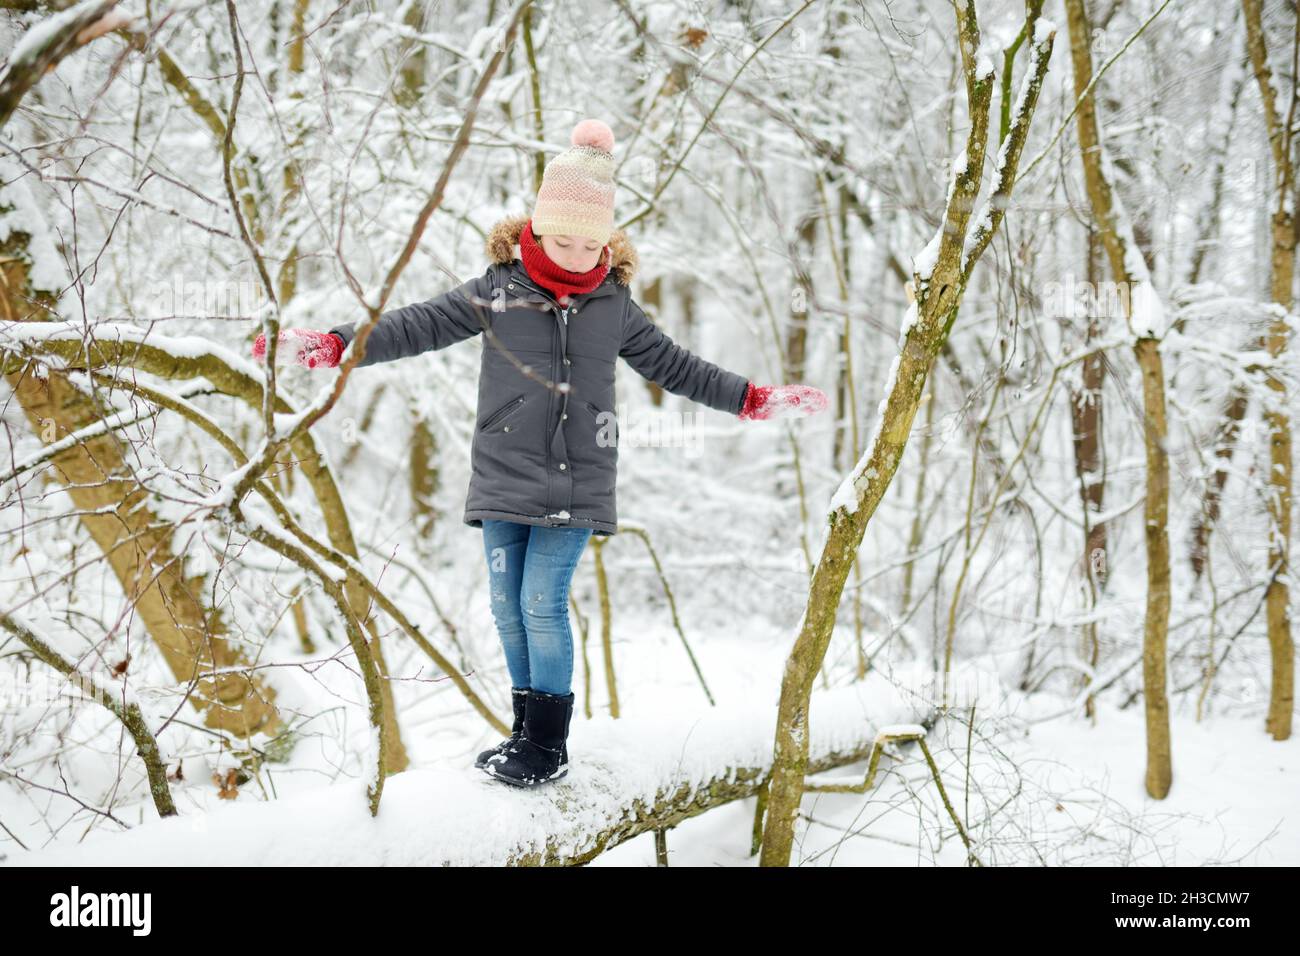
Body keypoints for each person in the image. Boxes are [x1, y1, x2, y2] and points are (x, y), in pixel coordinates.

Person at [253, 118, 827, 788]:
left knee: (542, 603)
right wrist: (334, 345)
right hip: (502, 476)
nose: (581, 255)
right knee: (505, 604)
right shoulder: (495, 290)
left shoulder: (613, 305)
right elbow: (414, 325)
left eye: (594, 244)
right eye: (565, 240)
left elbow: (676, 366)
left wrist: (751, 397)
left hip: (578, 485)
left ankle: (548, 749)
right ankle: (524, 734)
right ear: (535, 228)